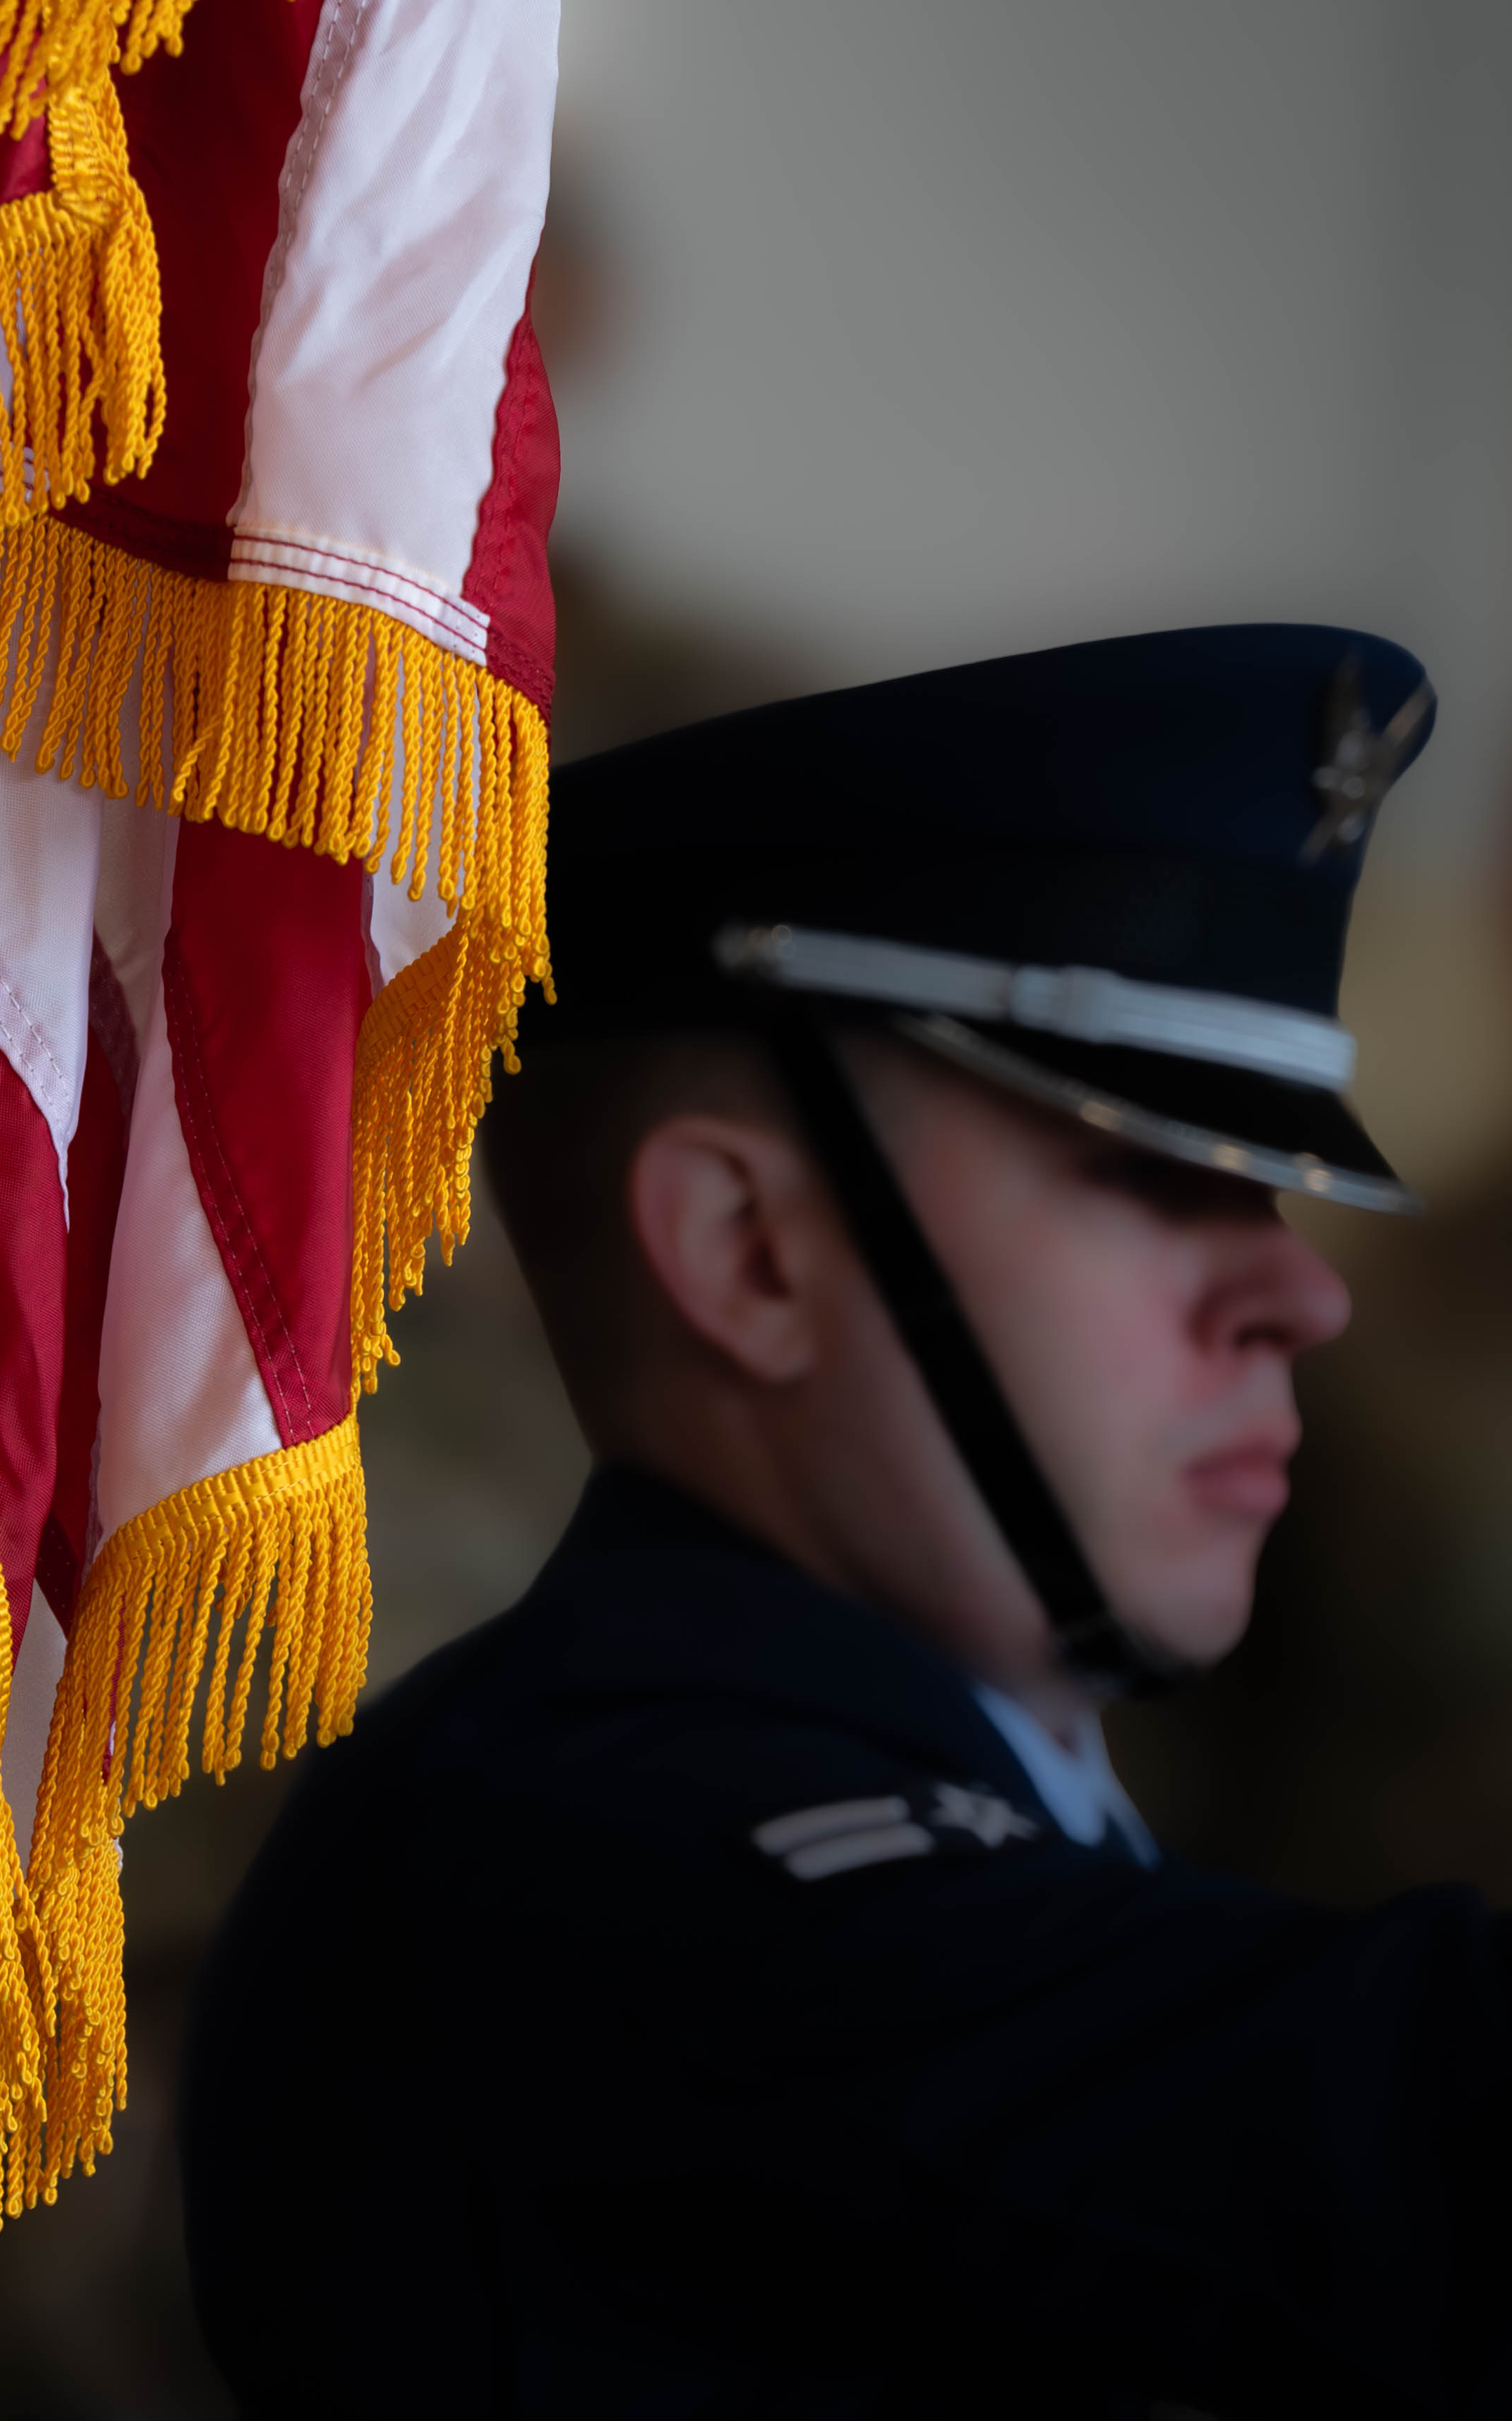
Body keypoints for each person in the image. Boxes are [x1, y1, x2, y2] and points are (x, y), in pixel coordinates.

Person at [174, 628, 1512, 2413]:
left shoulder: (928, 1823)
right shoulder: (599, 1850)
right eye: (1153, 1171)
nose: (1301, 1297)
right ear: (748, 1254)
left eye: (1271, 1189)